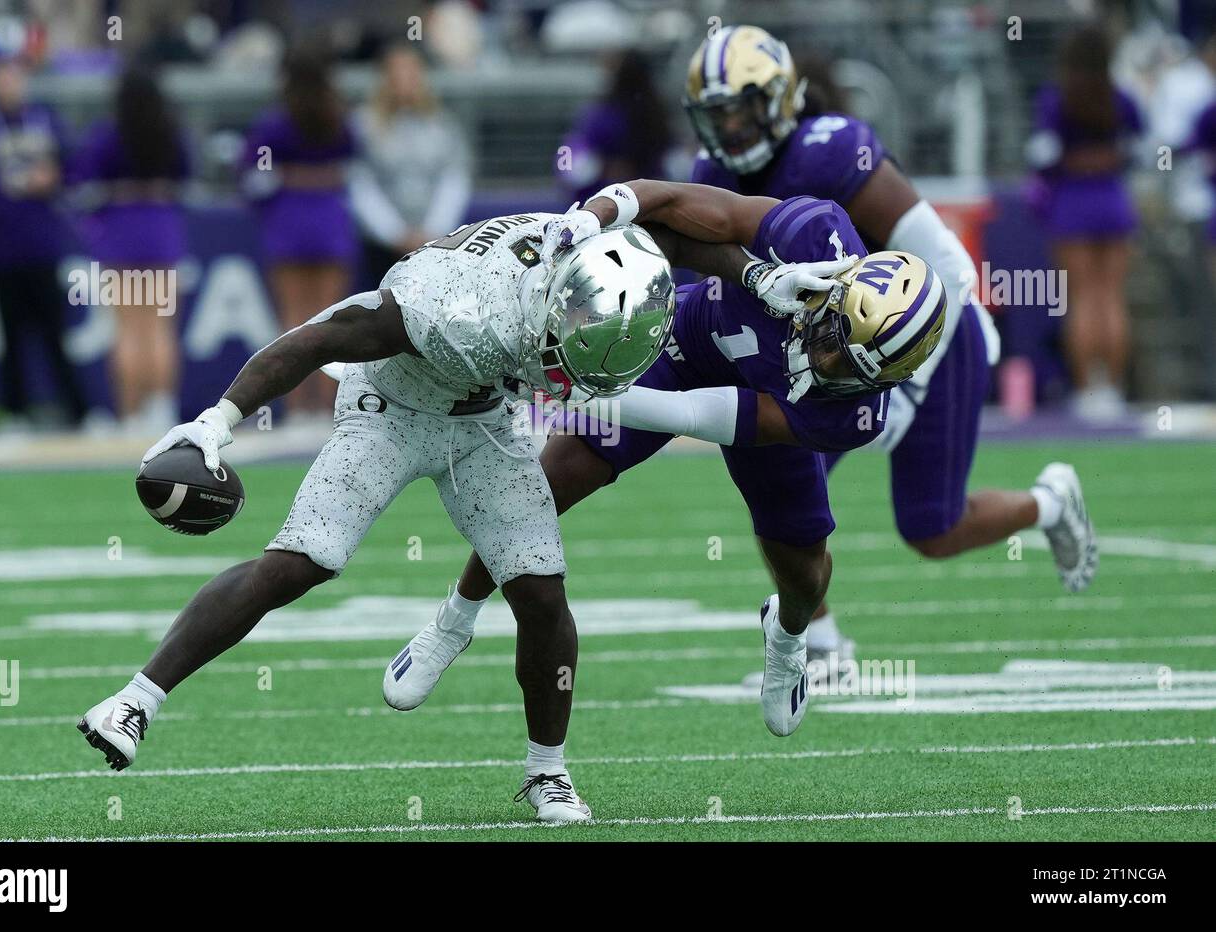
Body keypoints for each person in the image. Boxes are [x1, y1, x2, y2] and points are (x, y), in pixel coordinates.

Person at [78, 203, 683, 823]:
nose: (567, 371)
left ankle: (547, 771)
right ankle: (134, 700)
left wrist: (756, 277)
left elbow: (681, 214)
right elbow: (314, 339)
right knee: (299, 563)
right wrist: (218, 421)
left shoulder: (587, 258)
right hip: (388, 410)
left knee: (540, 590)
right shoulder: (450, 309)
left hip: (486, 427)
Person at [382, 179, 949, 739]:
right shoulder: (812, 231)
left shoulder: (852, 414)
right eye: (832, 336)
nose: (825, 360)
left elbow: (693, 418)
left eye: (848, 367)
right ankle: (453, 619)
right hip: (684, 341)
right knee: (545, 487)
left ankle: (788, 637)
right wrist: (595, 216)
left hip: (756, 414)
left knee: (805, 574)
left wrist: (571, 388)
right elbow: (673, 203)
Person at [685, 25, 1098, 659]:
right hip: (823, 356)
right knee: (779, 479)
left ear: (780, 98)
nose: (731, 130)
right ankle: (821, 645)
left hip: (925, 340)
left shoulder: (829, 150)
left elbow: (941, 260)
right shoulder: (710, 171)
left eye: (741, 111)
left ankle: (1048, 504)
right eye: (718, 116)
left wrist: (908, 387)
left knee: (932, 528)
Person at [0, 55, 89, 428]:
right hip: (1, 252)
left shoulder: (46, 121)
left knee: (54, 335)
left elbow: (76, 168)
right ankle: (16, 412)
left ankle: (79, 412)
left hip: (42, 246)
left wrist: (54, 176)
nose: (6, 88)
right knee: (9, 338)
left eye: (12, 80)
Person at [1028, 25, 1143, 421]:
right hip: (1113, 200)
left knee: (1083, 298)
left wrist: (1072, 165)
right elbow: (1140, 147)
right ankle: (1111, 387)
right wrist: (1108, 160)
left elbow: (1043, 156)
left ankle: (1087, 391)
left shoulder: (1055, 100)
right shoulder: (1120, 99)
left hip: (1073, 203)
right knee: (1110, 296)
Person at [240, 49, 358, 421]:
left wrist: (284, 181)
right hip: (327, 216)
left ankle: (295, 409)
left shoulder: (275, 124)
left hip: (290, 217)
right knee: (330, 322)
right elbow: (356, 165)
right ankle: (326, 410)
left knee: (293, 320)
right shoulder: (337, 118)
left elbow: (251, 175)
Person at [74, 67, 190, 432]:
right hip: (158, 226)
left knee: (127, 328)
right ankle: (162, 409)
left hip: (122, 229)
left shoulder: (108, 134)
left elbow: (83, 181)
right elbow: (186, 175)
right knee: (160, 328)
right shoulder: (170, 132)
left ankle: (131, 414)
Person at [349, 43, 472, 286]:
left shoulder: (442, 124)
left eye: (411, 72)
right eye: (396, 73)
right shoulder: (364, 125)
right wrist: (394, 233)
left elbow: (454, 180)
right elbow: (359, 183)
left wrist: (433, 231)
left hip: (435, 244)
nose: (404, 81)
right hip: (382, 247)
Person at [557, 48, 683, 206]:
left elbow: (572, 161)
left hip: (610, 201)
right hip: (645, 198)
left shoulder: (602, 114)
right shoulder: (658, 112)